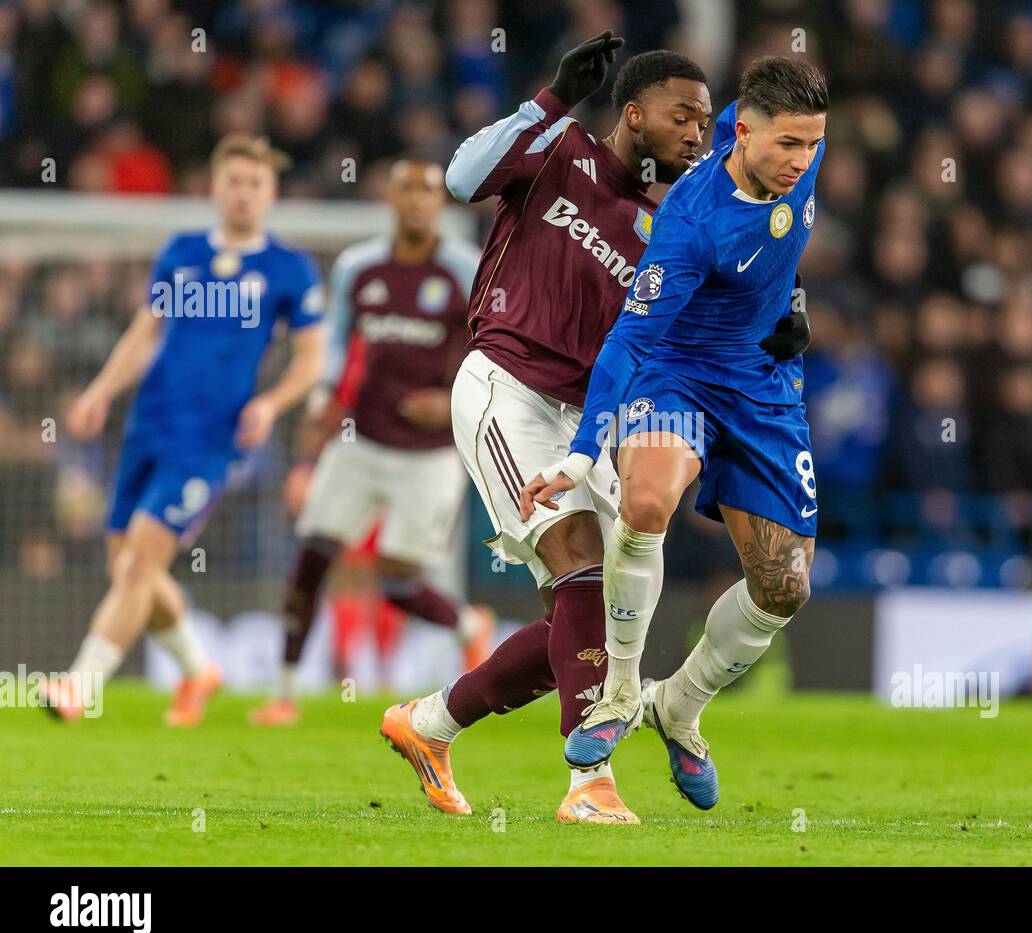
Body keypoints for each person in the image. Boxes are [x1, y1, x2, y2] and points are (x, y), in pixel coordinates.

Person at [378, 33, 711, 824]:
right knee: (586, 575)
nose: (697, 133)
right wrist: (550, 95)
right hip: (505, 387)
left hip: (579, 427)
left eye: (705, 123)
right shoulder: (559, 147)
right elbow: (461, 179)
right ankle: (588, 788)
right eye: (684, 116)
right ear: (633, 112)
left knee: (584, 614)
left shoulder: (664, 226)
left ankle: (429, 724)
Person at [522, 56, 828, 811]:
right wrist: (583, 452)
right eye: (788, 145)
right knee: (648, 501)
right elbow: (628, 342)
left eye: (813, 145)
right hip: (679, 375)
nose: (802, 161)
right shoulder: (691, 223)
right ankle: (621, 692)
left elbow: (777, 245)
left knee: (784, 587)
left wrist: (790, 296)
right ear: (746, 133)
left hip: (762, 386)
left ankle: (678, 707)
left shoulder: (781, 143)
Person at [44, 134, 325, 725]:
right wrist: (99, 390)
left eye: (255, 183)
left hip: (210, 439)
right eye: (234, 181)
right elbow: (146, 333)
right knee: (124, 563)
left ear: (270, 193)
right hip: (148, 424)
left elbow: (311, 362)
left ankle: (80, 684)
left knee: (140, 565)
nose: (243, 193)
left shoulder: (287, 269)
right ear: (215, 187)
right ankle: (199, 668)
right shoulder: (182, 252)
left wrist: (272, 404)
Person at [248, 159, 493, 727]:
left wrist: (450, 396)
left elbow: (492, 348)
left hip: (430, 453)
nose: (416, 199)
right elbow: (336, 342)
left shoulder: (464, 269)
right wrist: (322, 401)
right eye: (406, 188)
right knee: (313, 555)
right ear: (390, 198)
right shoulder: (359, 267)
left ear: (442, 202)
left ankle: (467, 626)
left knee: (397, 578)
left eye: (428, 190)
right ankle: (283, 693)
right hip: (359, 441)